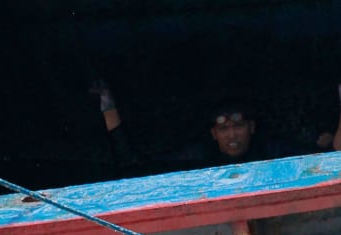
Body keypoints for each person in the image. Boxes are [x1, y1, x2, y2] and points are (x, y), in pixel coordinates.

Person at [90, 81, 338, 173]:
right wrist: (109, 109)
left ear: (252, 127)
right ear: (213, 134)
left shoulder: (270, 148)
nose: (232, 135)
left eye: (238, 126)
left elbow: (330, 159)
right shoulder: (199, 155)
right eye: (223, 129)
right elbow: (134, 165)